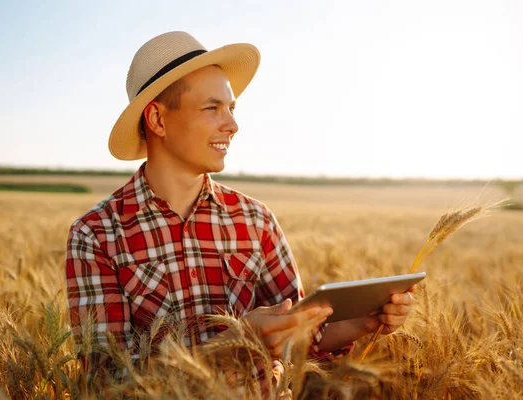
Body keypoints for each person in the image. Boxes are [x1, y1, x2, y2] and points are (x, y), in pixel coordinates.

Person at [65, 31, 415, 384]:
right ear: (157, 120)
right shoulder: (96, 234)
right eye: (212, 108)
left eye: (231, 108)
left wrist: (360, 324)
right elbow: (105, 380)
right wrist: (230, 345)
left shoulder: (255, 219)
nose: (232, 125)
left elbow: (297, 336)